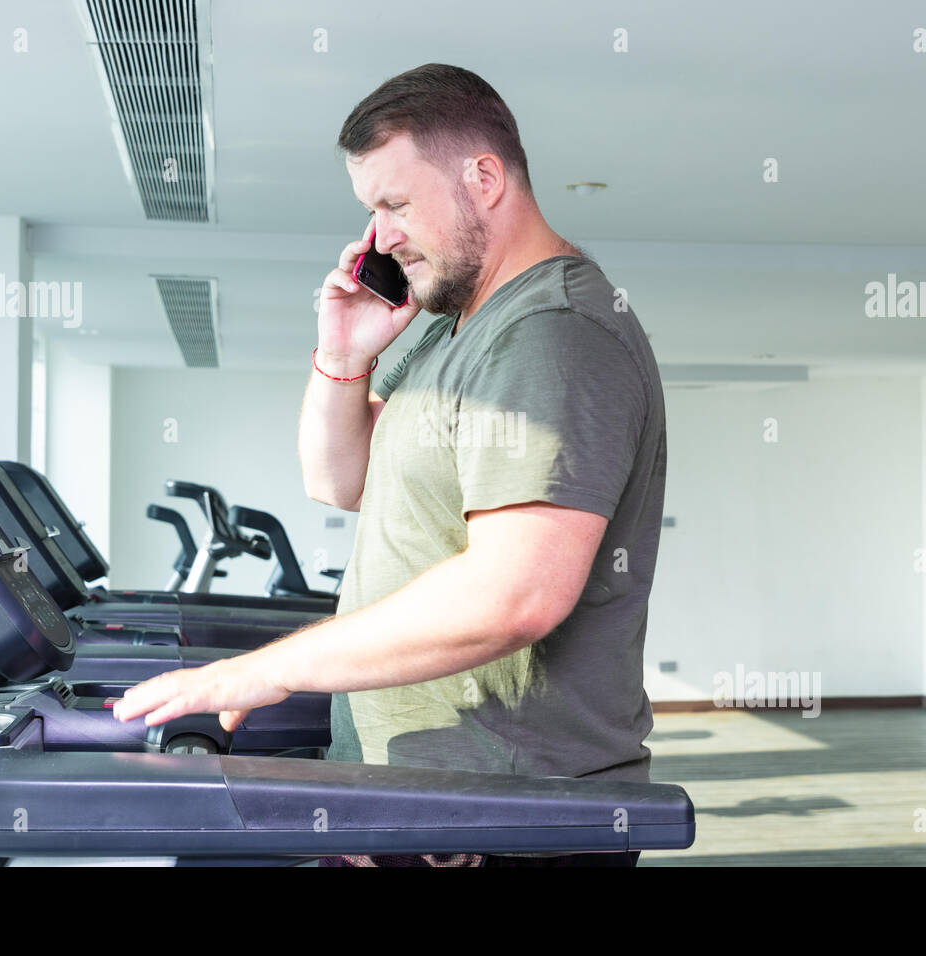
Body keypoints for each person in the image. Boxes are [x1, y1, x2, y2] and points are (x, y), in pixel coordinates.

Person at [115, 63, 667, 868]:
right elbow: (338, 481)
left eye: (396, 204)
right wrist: (343, 355)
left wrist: (266, 672)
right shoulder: (456, 333)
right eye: (373, 210)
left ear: (483, 179)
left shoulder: (552, 335)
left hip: (498, 817)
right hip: (424, 794)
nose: (383, 235)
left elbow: (516, 595)